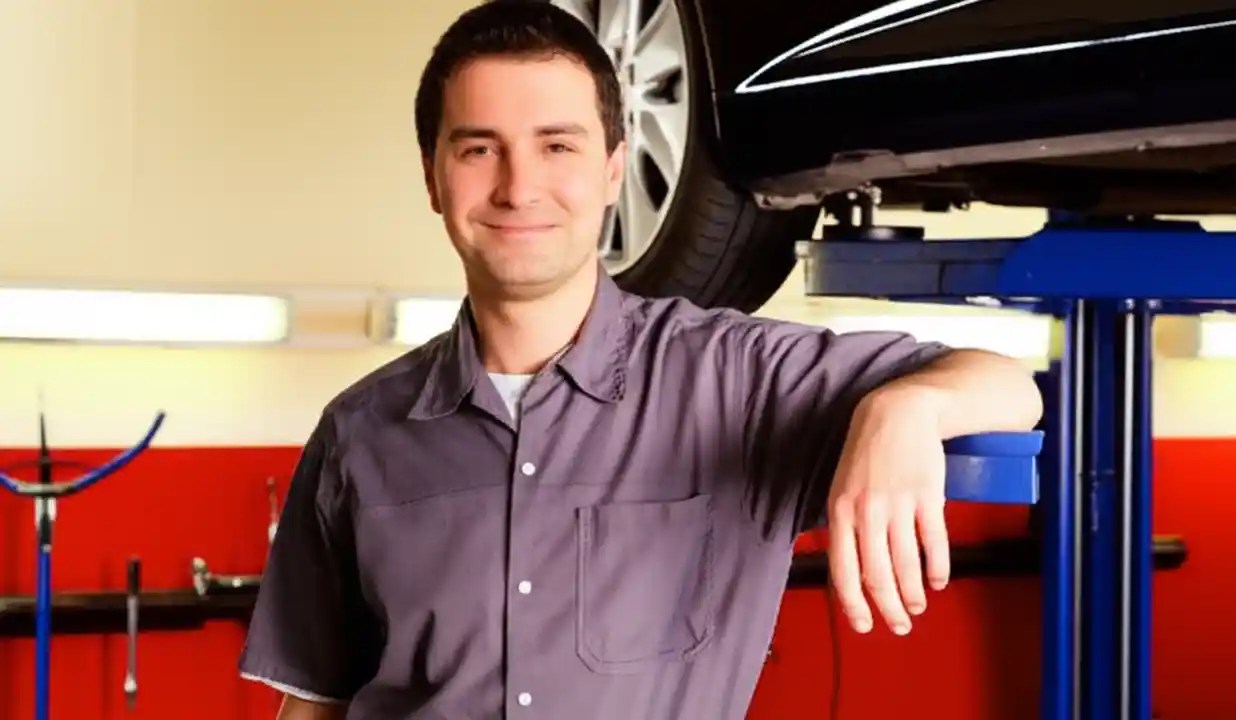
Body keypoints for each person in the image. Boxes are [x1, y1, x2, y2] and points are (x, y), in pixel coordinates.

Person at [237, 1, 1043, 718]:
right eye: (480, 148)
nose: (520, 186)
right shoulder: (360, 433)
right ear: (433, 177)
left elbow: (1012, 386)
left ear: (614, 170)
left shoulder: (736, 381)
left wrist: (899, 409)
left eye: (558, 145)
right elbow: (314, 702)